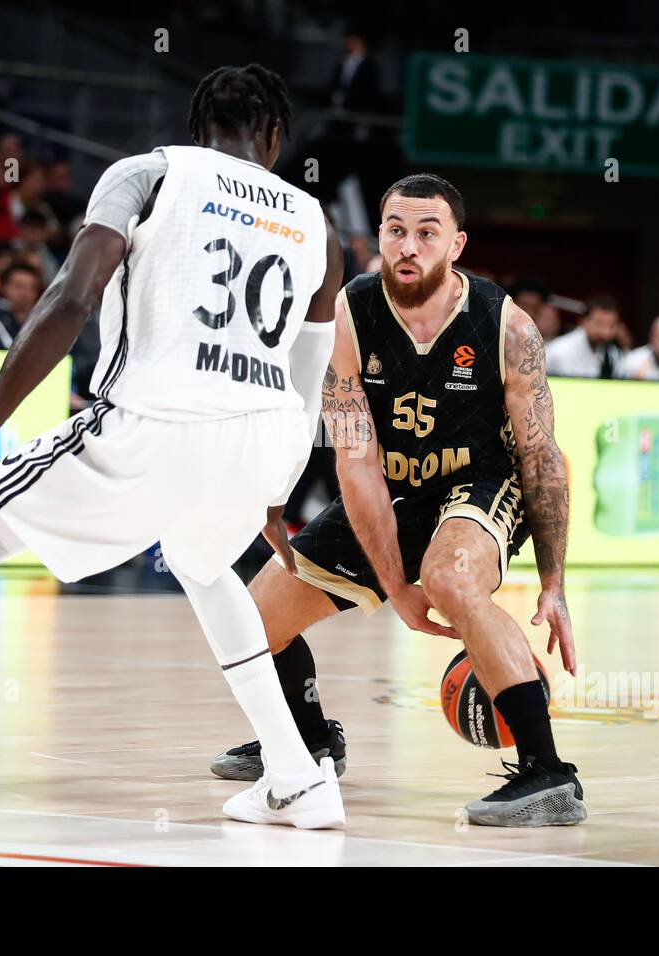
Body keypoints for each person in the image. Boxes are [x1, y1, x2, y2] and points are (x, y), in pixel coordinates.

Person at [0, 64, 347, 830]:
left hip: (153, 418)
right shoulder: (316, 224)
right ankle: (296, 773)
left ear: (201, 131)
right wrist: (272, 490)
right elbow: (309, 376)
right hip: (260, 438)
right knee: (204, 565)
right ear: (273, 137)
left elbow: (71, 297)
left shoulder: (152, 173)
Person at [209, 174, 586, 828]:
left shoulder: (506, 325)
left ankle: (548, 774)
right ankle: (308, 744)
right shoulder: (348, 316)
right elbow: (356, 463)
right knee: (252, 619)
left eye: (426, 233)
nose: (407, 246)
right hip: (396, 487)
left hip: (484, 481)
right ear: (378, 235)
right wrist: (392, 586)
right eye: (395, 230)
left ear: (456, 245)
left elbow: (542, 457)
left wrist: (553, 581)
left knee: (448, 575)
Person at [545, 293, 625, 378]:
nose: (605, 332)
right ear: (583, 321)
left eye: (611, 326)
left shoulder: (613, 352)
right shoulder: (560, 350)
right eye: (599, 324)